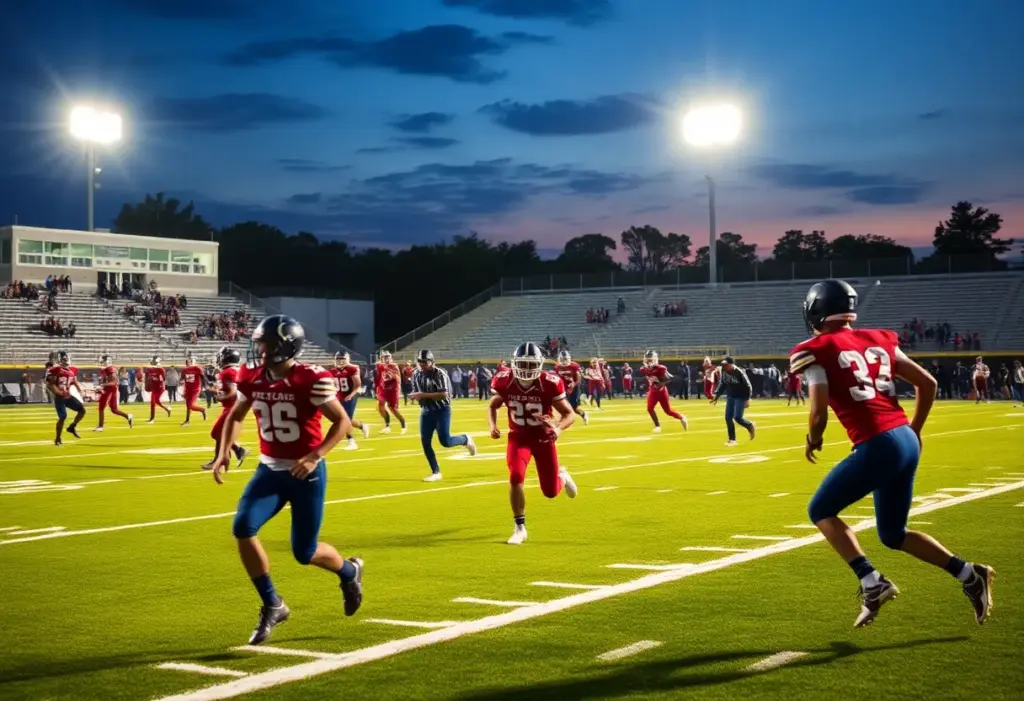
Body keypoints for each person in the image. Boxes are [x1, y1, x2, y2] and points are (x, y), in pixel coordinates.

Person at [790, 279, 993, 628]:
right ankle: (969, 574)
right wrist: (915, 429)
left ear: (815, 309)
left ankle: (872, 582)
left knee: (820, 510)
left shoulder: (814, 348)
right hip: (904, 438)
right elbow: (927, 383)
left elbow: (819, 412)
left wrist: (814, 438)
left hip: (877, 442)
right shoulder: (880, 340)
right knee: (893, 533)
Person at [210, 315, 363, 645]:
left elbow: (342, 424)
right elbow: (235, 415)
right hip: (268, 470)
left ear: (283, 347)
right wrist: (224, 451)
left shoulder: (310, 378)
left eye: (264, 344)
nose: (259, 350)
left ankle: (350, 573)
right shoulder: (251, 376)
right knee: (242, 527)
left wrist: (314, 456)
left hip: (304, 473)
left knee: (304, 552)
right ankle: (272, 603)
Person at [488, 342, 577, 545]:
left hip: (543, 438)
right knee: (516, 476)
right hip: (518, 436)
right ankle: (520, 527)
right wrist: (492, 425)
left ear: (539, 364)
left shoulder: (550, 382)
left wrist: (557, 428)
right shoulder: (505, 381)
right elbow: (493, 405)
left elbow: (569, 414)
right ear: (515, 363)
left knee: (551, 492)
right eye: (523, 364)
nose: (527, 369)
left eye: (531, 365)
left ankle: (562, 476)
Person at [410, 349, 476, 482]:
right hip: (427, 411)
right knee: (425, 441)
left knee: (445, 441)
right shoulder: (416, 374)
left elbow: (444, 393)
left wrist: (422, 395)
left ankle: (465, 439)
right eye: (420, 361)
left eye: (425, 362)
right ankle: (436, 471)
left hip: (442, 410)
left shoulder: (440, 373)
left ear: (432, 362)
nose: (422, 364)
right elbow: (417, 391)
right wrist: (417, 397)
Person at [203, 346, 248, 471]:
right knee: (220, 433)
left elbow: (233, 390)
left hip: (232, 407)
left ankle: (219, 460)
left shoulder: (229, 372)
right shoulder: (233, 371)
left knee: (217, 433)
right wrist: (213, 390)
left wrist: (224, 397)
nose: (218, 359)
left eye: (220, 357)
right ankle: (238, 450)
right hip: (232, 407)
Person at [639, 350, 688, 433]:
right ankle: (657, 426)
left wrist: (660, 384)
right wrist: (647, 385)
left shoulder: (660, 368)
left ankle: (682, 417)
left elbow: (669, 379)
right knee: (650, 408)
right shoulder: (643, 369)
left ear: (655, 360)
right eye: (647, 360)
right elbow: (650, 378)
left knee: (668, 411)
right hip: (653, 391)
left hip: (662, 391)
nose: (648, 362)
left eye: (650, 360)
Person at [330, 352, 371, 451]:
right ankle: (362, 426)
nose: (340, 361)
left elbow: (357, 385)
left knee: (345, 420)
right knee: (345, 419)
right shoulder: (332, 371)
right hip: (339, 397)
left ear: (347, 359)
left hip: (351, 396)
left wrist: (351, 395)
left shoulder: (352, 369)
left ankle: (352, 442)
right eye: (338, 359)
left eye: (342, 359)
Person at [712, 356, 755, 446]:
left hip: (740, 396)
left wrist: (747, 399)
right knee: (728, 418)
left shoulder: (739, 372)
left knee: (738, 418)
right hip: (731, 396)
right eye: (723, 365)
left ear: (731, 364)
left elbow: (748, 386)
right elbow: (722, 383)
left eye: (726, 365)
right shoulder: (724, 371)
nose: (724, 367)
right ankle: (732, 440)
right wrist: (717, 395)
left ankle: (749, 425)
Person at [46, 351, 86, 446]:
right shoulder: (55, 369)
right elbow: (49, 384)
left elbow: (74, 381)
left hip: (67, 395)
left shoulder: (72, 370)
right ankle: (57, 439)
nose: (66, 360)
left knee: (82, 410)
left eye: (66, 358)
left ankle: (72, 427)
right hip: (60, 397)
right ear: (59, 360)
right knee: (63, 417)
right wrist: (58, 392)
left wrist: (80, 390)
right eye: (64, 358)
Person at [95, 354, 133, 431]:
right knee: (114, 410)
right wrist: (100, 386)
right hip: (107, 389)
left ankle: (100, 426)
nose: (101, 362)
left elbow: (114, 381)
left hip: (111, 390)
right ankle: (128, 416)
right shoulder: (105, 369)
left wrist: (102, 385)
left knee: (101, 407)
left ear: (107, 361)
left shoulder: (110, 369)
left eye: (102, 360)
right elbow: (105, 380)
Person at [374, 350, 407, 434]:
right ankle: (387, 426)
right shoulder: (379, 366)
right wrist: (377, 389)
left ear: (390, 358)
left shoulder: (394, 365)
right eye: (384, 357)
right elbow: (378, 377)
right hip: (383, 389)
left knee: (393, 409)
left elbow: (396, 378)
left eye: (387, 357)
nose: (385, 359)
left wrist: (399, 390)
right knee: (380, 406)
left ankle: (403, 424)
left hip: (392, 389)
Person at [553, 350, 588, 425]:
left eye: (566, 359)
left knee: (573, 408)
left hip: (574, 388)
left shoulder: (574, 366)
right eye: (563, 359)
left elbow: (578, 379)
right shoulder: (557, 367)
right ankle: (561, 422)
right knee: (562, 406)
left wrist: (573, 386)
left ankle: (583, 414)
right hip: (564, 388)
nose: (564, 361)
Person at [180, 352, 208, 426]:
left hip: (195, 389)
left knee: (190, 405)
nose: (188, 362)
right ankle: (187, 421)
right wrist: (181, 382)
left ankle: (202, 410)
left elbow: (203, 377)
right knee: (188, 406)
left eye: (190, 361)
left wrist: (204, 386)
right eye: (187, 361)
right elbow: (182, 379)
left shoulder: (197, 368)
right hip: (187, 389)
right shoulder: (184, 370)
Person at [144, 356, 172, 423]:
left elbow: (163, 379)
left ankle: (152, 419)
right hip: (154, 387)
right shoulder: (150, 369)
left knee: (153, 403)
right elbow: (149, 377)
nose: (152, 362)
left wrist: (158, 379)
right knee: (156, 401)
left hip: (160, 388)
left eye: (153, 360)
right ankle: (167, 409)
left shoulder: (161, 369)